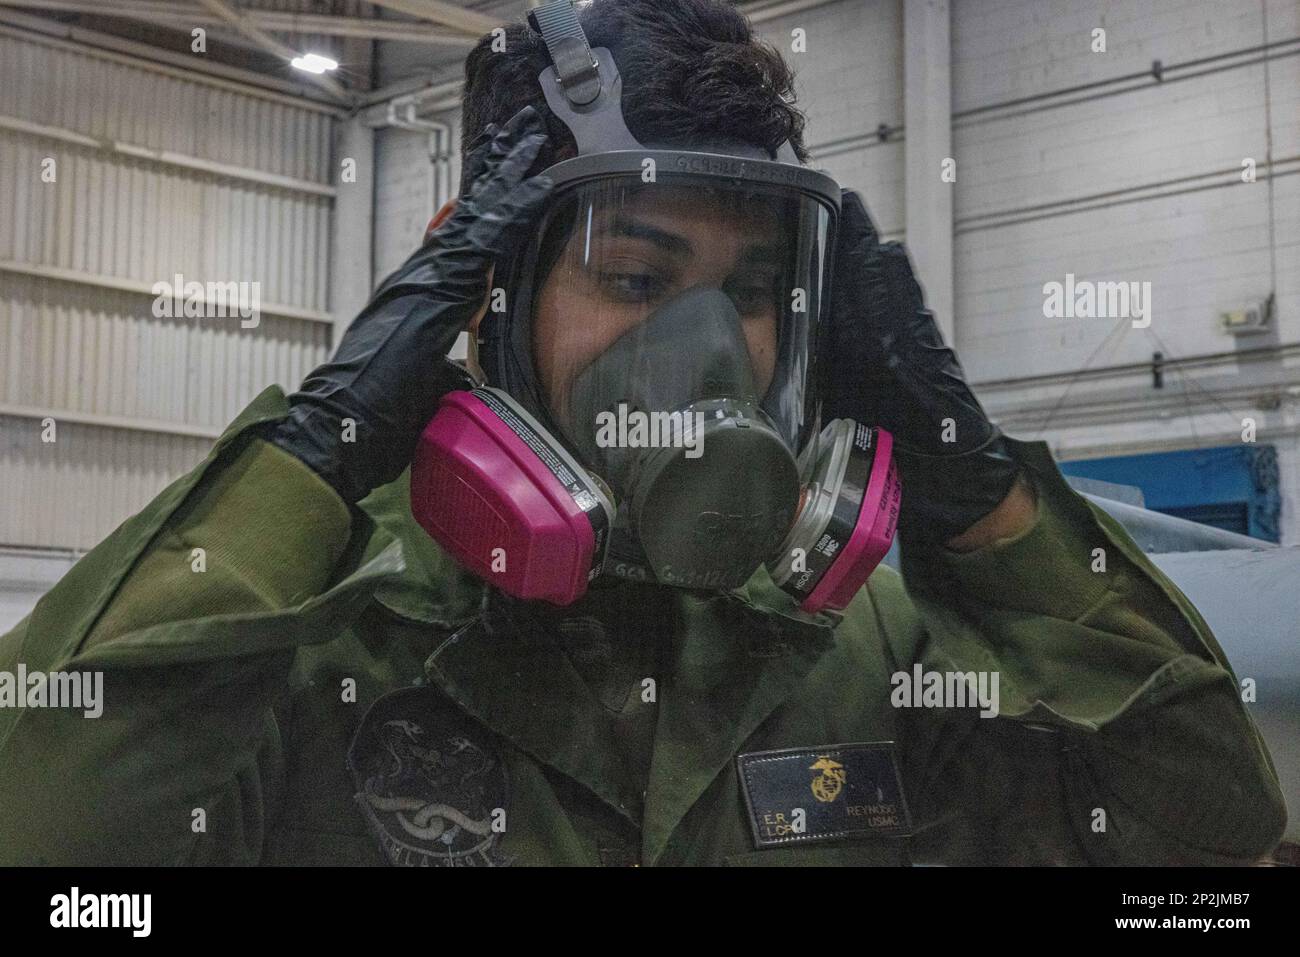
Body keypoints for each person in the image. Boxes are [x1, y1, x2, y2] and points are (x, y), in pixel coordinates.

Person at [0, 0, 1285, 867]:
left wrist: (979, 488)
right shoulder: (316, 632)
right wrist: (328, 441)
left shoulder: (861, 645)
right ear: (484, 288)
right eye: (633, 278)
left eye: (749, 294)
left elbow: (1207, 828)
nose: (710, 348)